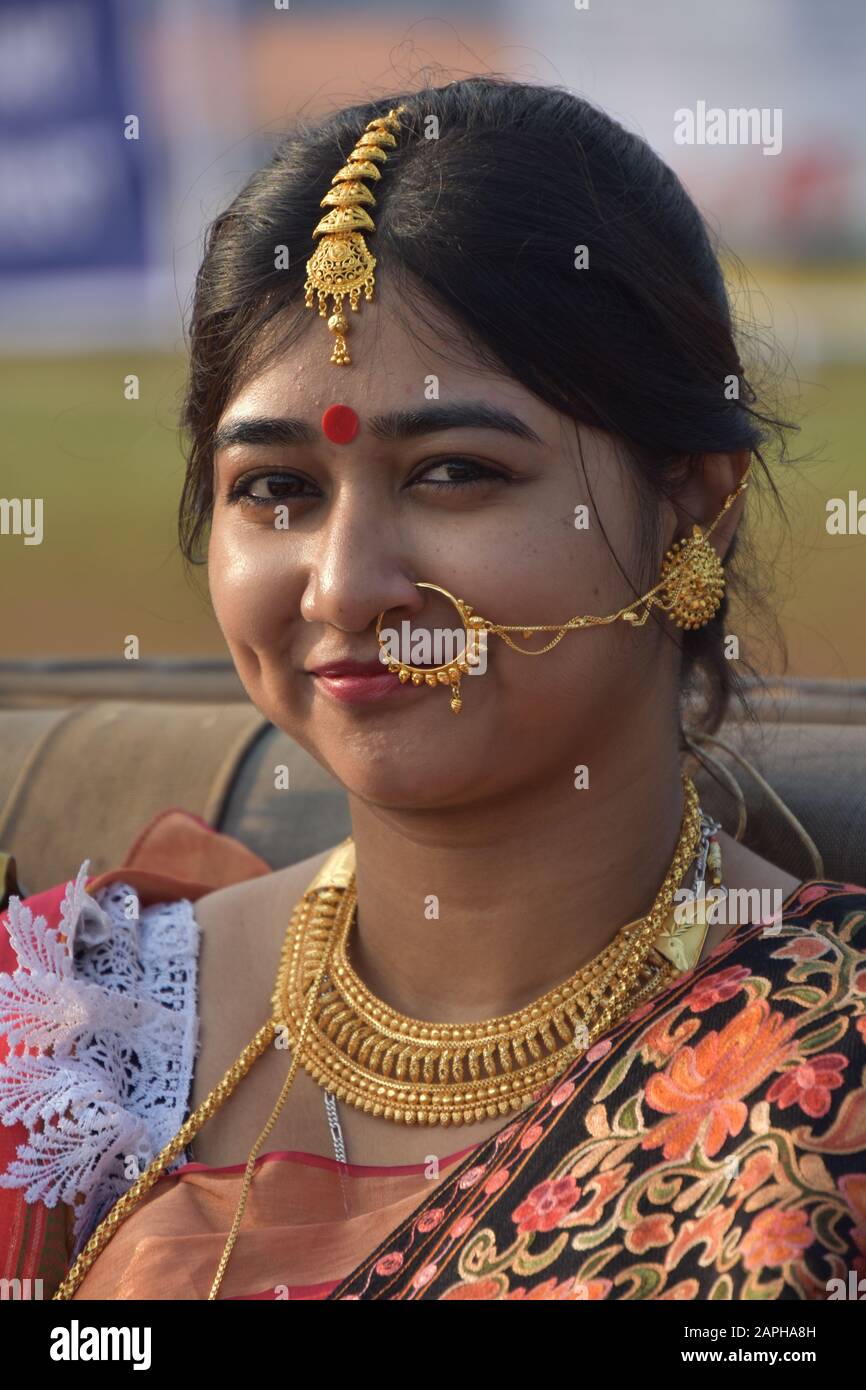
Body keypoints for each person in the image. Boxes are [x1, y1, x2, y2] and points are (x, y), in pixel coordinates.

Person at [2, 76, 865, 1302]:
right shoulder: (71, 1030)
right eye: (276, 489)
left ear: (694, 503)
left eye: (453, 472)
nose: (346, 587)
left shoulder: (825, 1055)